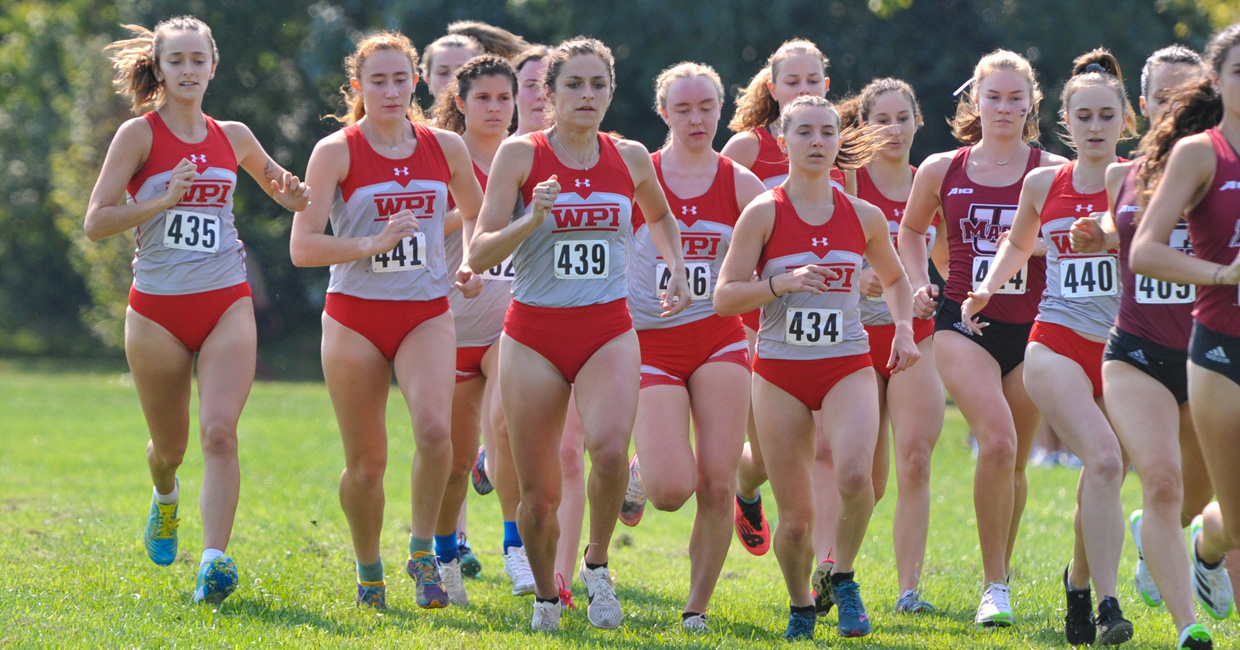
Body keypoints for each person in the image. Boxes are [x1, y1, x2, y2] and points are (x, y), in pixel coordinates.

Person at [468, 37, 691, 632]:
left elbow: (662, 215)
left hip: (607, 329)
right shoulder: (521, 155)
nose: (586, 95)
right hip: (534, 335)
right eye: (574, 85)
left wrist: (673, 263)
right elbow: (480, 249)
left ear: (611, 92)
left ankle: (596, 564)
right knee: (538, 499)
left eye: (598, 85)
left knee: (612, 450)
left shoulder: (631, 156)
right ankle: (546, 596)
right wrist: (532, 218)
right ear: (549, 93)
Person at [84, 16, 309, 605]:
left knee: (219, 432)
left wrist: (297, 195)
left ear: (213, 66)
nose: (187, 70)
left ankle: (213, 561)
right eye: (176, 60)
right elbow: (96, 221)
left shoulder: (232, 136)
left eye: (197, 60)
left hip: (226, 301)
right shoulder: (138, 137)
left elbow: (282, 189)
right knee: (172, 449)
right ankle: (164, 498)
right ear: (159, 68)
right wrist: (161, 199)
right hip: (156, 312)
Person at [288, 31, 484, 610]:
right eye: (378, 80)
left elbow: (476, 212)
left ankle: (422, 551)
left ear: (417, 82)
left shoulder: (444, 146)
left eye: (402, 79)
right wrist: (374, 241)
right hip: (354, 319)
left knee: (435, 434)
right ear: (358, 86)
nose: (391, 90)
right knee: (367, 463)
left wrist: (471, 260)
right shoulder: (337, 151)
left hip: (425, 313)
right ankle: (368, 569)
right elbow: (303, 247)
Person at [715, 94, 917, 641]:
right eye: (804, 132)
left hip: (847, 364)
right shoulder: (764, 212)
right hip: (779, 371)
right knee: (797, 519)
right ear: (783, 142)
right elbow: (725, 296)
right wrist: (781, 283)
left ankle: (843, 576)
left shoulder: (863, 216)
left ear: (840, 142)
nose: (818, 142)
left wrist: (902, 328)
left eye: (828, 132)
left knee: (858, 479)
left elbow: (897, 280)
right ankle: (802, 603)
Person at [965, 49, 1136, 644]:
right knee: (1106, 459)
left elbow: (1150, 237)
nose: (1094, 127)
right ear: (1065, 119)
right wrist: (986, 287)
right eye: (1083, 116)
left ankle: (1078, 581)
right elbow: (1017, 245)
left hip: (1120, 347)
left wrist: (1110, 234)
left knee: (1105, 471)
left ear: (1124, 122)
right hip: (1055, 341)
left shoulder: (1135, 181)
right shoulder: (1044, 181)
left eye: (1105, 116)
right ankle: (1110, 606)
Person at [899, 48, 1067, 628]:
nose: (1003, 107)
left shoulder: (1051, 169)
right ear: (974, 100)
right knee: (996, 443)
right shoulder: (942, 168)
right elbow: (911, 230)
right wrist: (921, 283)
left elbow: (1074, 238)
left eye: (1015, 97)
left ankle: (1002, 573)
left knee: (1014, 460)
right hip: (962, 324)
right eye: (992, 96)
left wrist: (1045, 246)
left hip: (1036, 329)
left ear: (1031, 104)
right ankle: (993, 586)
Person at [1070, 44, 1217, 650]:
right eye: (1161, 98)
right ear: (1145, 104)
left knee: (1200, 498)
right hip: (1136, 349)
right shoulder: (1121, 174)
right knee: (1159, 482)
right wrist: (1097, 234)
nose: (1172, 108)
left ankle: (1189, 544)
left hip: (1211, 353)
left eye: (1185, 97)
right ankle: (1189, 627)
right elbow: (1125, 229)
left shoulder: (1224, 171)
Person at [621, 62, 766, 632]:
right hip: (650, 346)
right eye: (682, 109)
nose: (696, 118)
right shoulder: (637, 177)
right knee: (670, 489)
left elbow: (775, 259)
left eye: (706, 107)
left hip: (720, 342)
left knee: (718, 480)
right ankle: (641, 470)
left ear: (721, 107)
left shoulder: (740, 184)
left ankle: (696, 609)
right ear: (663, 114)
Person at [1132, 21, 1240, 649]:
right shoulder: (1201, 154)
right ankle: (1203, 543)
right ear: (1218, 83)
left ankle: (1200, 538)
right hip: (1221, 349)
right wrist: (1224, 273)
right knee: (1236, 516)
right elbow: (1145, 250)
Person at [839, 78, 947, 615]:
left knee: (916, 460)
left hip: (914, 337)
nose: (894, 129)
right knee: (865, 479)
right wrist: (855, 276)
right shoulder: (844, 182)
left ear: (917, 120)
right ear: (861, 126)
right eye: (881, 119)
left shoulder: (929, 183)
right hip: (850, 342)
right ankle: (832, 570)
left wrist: (932, 293)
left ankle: (909, 592)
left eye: (903, 117)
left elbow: (946, 259)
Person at [719, 38, 829, 559]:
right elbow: (713, 218)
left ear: (825, 87)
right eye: (793, 82)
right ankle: (745, 483)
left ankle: (823, 558)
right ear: (773, 87)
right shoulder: (745, 147)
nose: (802, 90)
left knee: (814, 445)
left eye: (812, 81)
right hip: (752, 311)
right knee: (765, 451)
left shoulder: (831, 143)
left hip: (817, 315)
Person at [428, 54, 527, 605]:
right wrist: (477, 223)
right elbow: (419, 222)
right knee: (452, 459)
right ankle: (444, 553)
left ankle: (516, 547)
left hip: (509, 322)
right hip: (445, 323)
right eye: (484, 98)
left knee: (507, 425)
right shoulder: (443, 156)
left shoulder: (528, 159)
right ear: (460, 103)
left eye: (504, 98)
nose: (496, 108)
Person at [422, 21, 529, 98]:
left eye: (462, 72)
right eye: (443, 72)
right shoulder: (414, 128)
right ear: (428, 80)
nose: (452, 80)